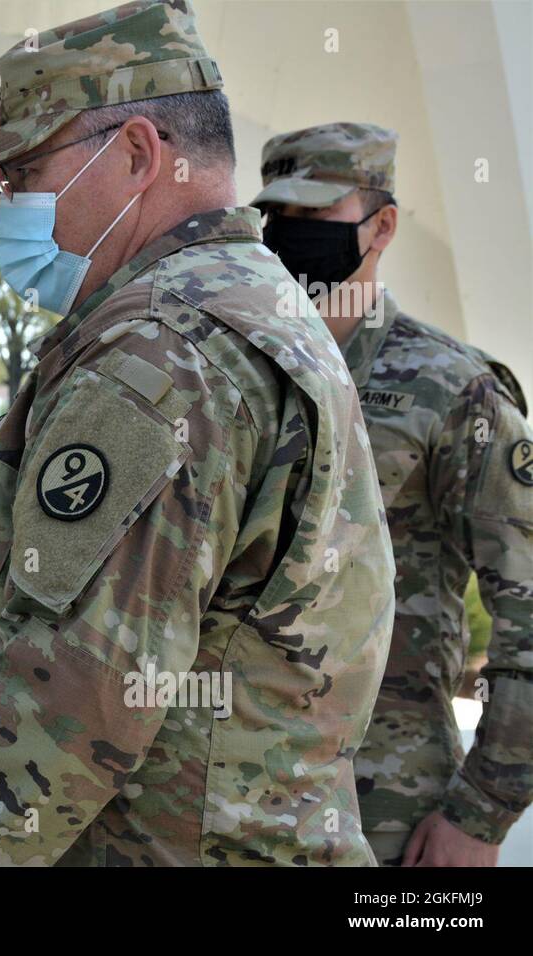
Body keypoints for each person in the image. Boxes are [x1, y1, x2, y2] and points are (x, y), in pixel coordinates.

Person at [0, 0, 395, 866]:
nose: (10, 206)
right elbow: (41, 589)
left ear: (136, 154)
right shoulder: (234, 303)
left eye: (25, 173)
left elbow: (75, 691)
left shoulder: (163, 354)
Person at [255, 122, 533, 866]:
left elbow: (529, 609)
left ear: (383, 224)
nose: (293, 236)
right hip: (234, 804)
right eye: (279, 218)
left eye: (317, 217)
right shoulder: (243, 374)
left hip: (392, 814)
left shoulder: (451, 390)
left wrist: (480, 816)